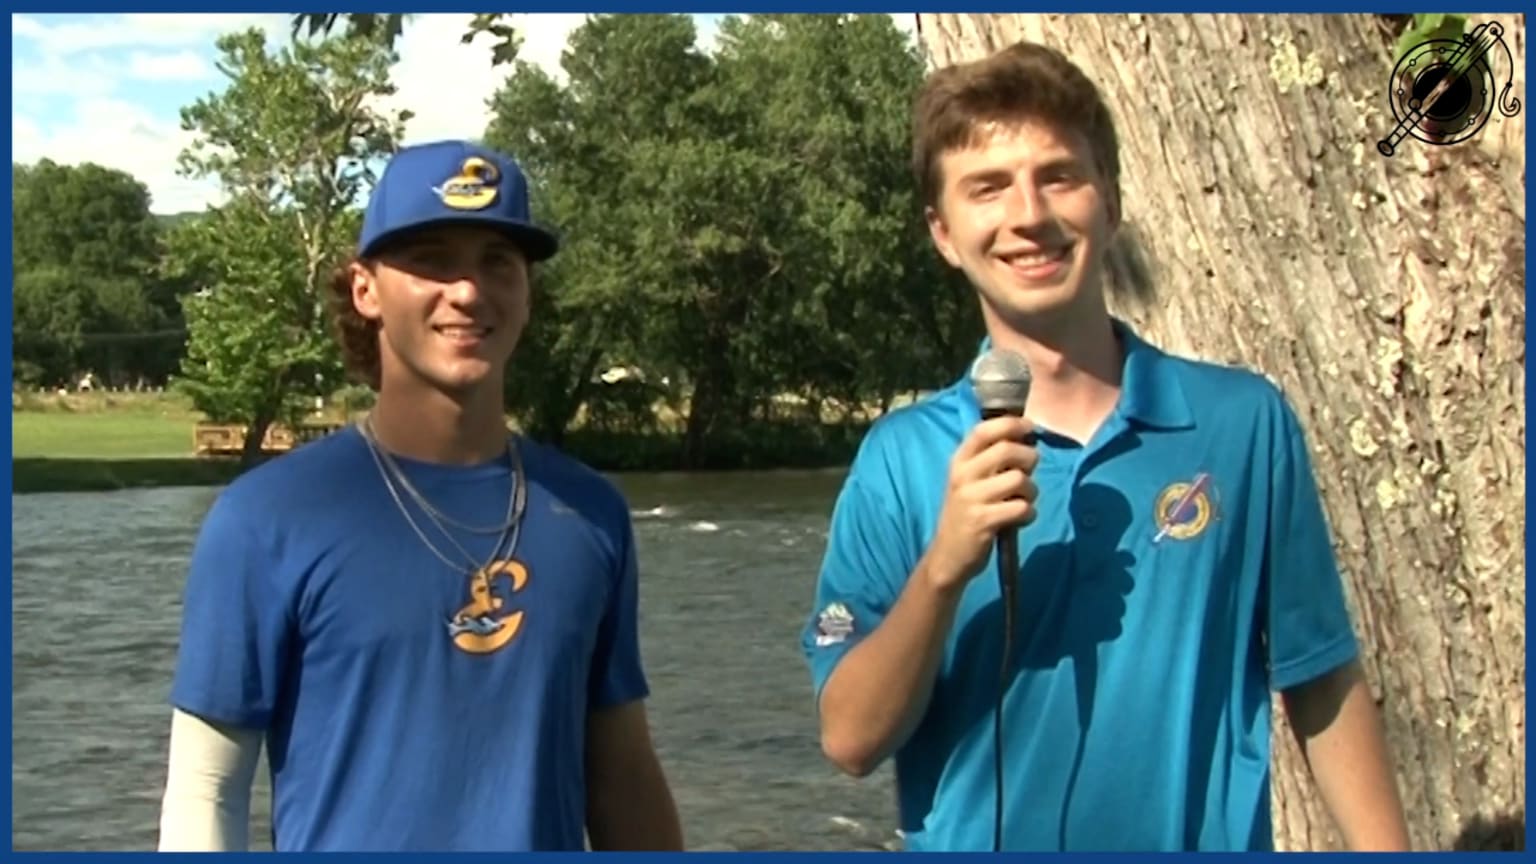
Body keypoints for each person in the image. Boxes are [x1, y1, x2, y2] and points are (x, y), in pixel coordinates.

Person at [798, 41, 1410, 852]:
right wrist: (944, 568)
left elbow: (1321, 675)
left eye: (1058, 175)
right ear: (944, 234)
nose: (1028, 214)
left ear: (1110, 203)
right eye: (988, 188)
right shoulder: (900, 460)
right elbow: (850, 741)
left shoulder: (1243, 423)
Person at [158, 140, 683, 851]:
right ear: (364, 289)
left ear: (527, 290)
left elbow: (621, 774)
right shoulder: (266, 519)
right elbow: (207, 790)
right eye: (433, 259)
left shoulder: (591, 514)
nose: (468, 290)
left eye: (498, 260)